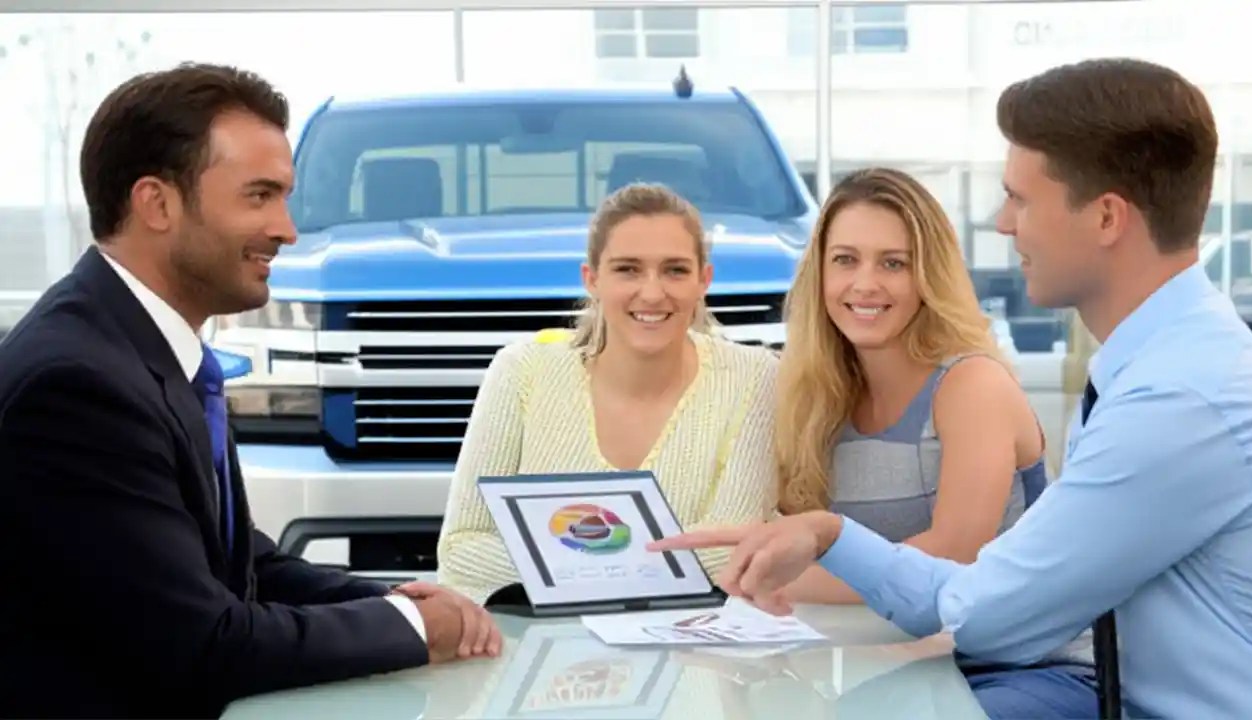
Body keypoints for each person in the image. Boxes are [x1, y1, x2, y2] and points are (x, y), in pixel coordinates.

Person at [650, 58, 1252, 719]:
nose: (1003, 223)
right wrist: (830, 536)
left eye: (1021, 198)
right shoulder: (1161, 373)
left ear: (1106, 218)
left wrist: (833, 540)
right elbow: (995, 591)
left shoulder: (1180, 401)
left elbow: (994, 615)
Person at [0, 63, 500, 720]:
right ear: (157, 203)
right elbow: (203, 643)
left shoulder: (136, 345)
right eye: (259, 196)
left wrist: (395, 604)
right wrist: (409, 630)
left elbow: (234, 562)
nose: (288, 229)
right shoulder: (76, 385)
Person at [436, 183, 780, 605]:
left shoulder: (755, 377)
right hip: (536, 656)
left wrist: (561, 564)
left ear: (703, 280)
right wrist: (639, 568)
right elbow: (461, 550)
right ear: (592, 279)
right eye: (628, 269)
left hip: (692, 658)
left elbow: (730, 552)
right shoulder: (522, 372)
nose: (652, 293)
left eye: (675, 270)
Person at [772, 167, 1049, 606]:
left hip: (1009, 666)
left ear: (928, 276)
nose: (865, 284)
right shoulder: (813, 397)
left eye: (893, 263)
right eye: (845, 260)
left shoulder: (973, 384)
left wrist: (770, 584)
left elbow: (951, 558)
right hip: (886, 655)